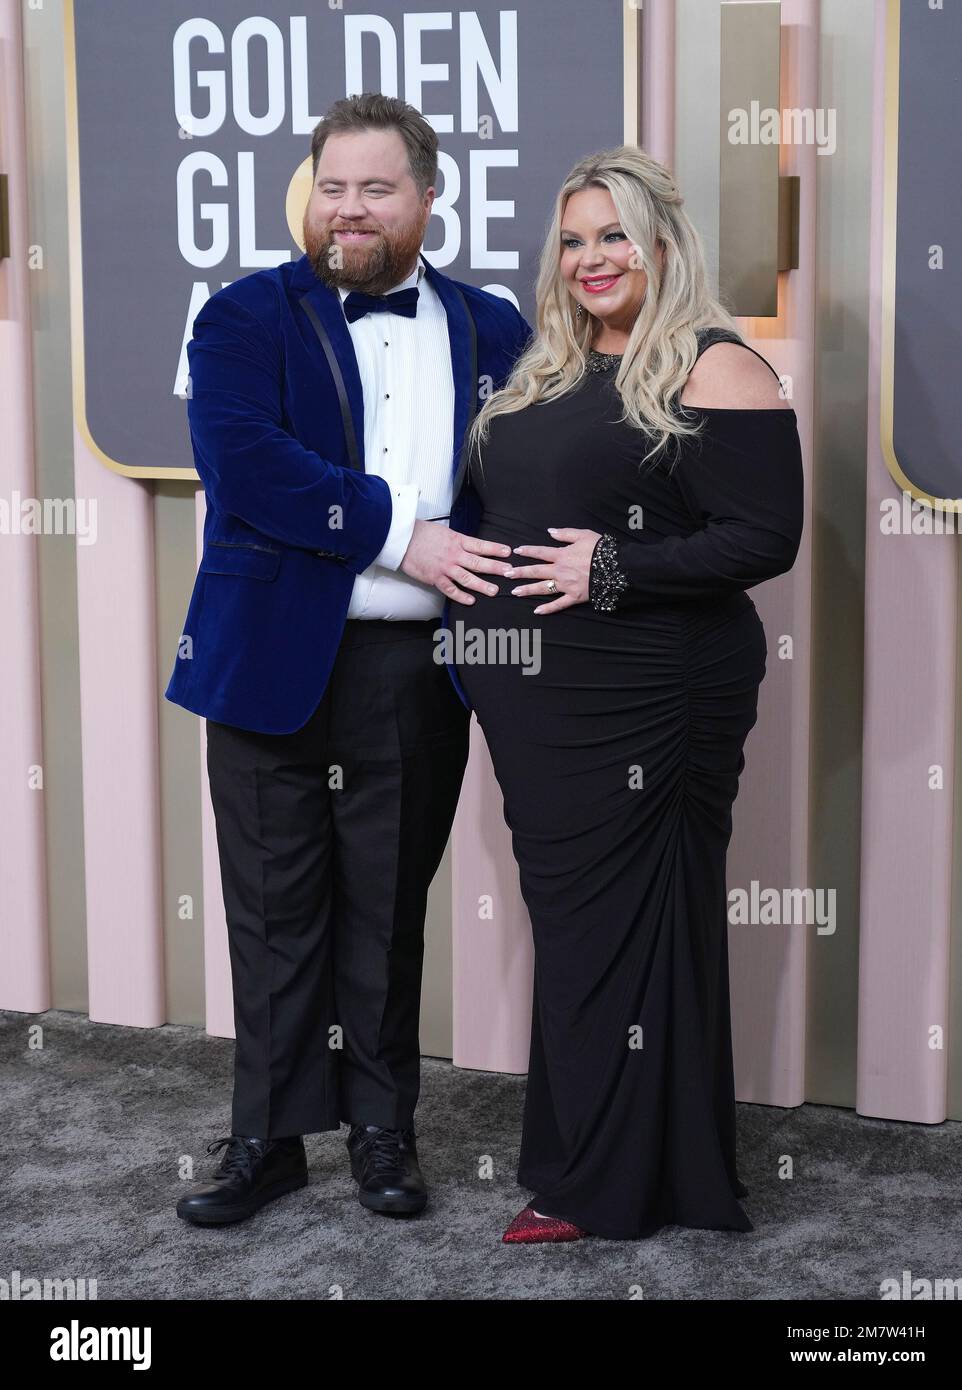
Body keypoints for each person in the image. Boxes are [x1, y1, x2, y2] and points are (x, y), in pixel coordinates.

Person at [165, 94, 531, 1225]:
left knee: (384, 911)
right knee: (273, 911)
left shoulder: (493, 326)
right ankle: (266, 1140)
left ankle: (383, 1135)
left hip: (414, 670)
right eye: (332, 185)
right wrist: (397, 531)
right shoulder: (238, 315)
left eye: (377, 187)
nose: (350, 209)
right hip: (271, 657)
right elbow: (248, 467)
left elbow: (524, 478)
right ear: (308, 196)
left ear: (427, 198)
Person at [444, 146, 804, 1242]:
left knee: (626, 926)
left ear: (659, 245)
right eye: (573, 239)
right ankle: (628, 1162)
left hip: (652, 696)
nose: (593, 257)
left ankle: (603, 1184)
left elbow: (763, 537)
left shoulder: (712, 362)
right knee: (586, 926)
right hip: (541, 707)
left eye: (614, 235)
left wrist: (613, 569)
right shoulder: (546, 370)